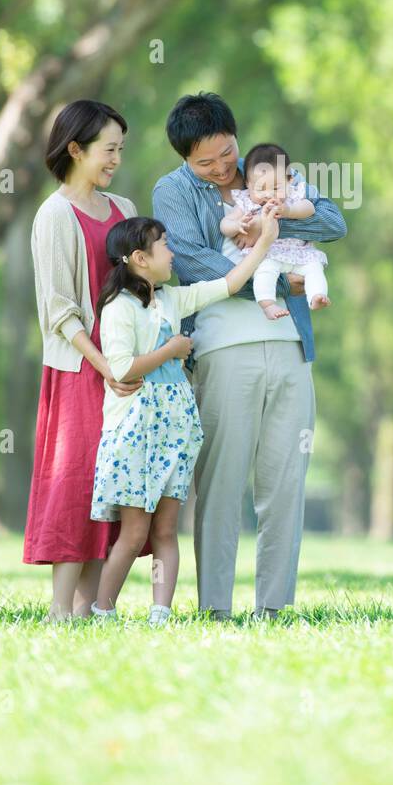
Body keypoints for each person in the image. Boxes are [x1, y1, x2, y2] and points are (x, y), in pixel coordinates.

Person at [151, 92, 347, 622]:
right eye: (205, 162)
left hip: (291, 348)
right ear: (184, 159)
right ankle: (215, 609)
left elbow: (332, 221)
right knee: (220, 485)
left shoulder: (267, 169)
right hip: (221, 349)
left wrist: (275, 212)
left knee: (285, 484)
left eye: (226, 154)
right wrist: (284, 282)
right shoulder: (171, 191)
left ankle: (274, 609)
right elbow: (194, 263)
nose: (220, 169)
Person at [88, 204, 283, 624]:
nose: (171, 252)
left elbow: (229, 284)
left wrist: (264, 242)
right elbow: (120, 367)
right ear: (140, 259)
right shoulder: (118, 307)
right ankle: (102, 609)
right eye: (163, 245)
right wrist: (171, 351)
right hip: (136, 430)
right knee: (135, 530)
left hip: (175, 429)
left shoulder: (174, 298)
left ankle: (161, 612)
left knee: (165, 530)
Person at [23, 99, 149, 622]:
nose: (116, 158)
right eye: (108, 148)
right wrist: (107, 368)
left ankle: (89, 607)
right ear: (75, 149)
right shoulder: (54, 215)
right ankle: (60, 609)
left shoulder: (121, 208)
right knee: (75, 479)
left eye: (121, 148)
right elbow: (61, 313)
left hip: (125, 369)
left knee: (112, 483)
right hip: (82, 371)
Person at [219, 141, 331, 318]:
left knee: (314, 269)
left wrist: (288, 210)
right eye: (260, 188)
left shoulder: (295, 195)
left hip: (300, 252)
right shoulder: (246, 202)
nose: (269, 194)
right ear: (247, 184)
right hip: (268, 254)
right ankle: (268, 304)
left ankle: (317, 296)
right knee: (264, 273)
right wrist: (238, 225)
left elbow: (310, 208)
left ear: (289, 180)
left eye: (276, 187)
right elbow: (225, 224)